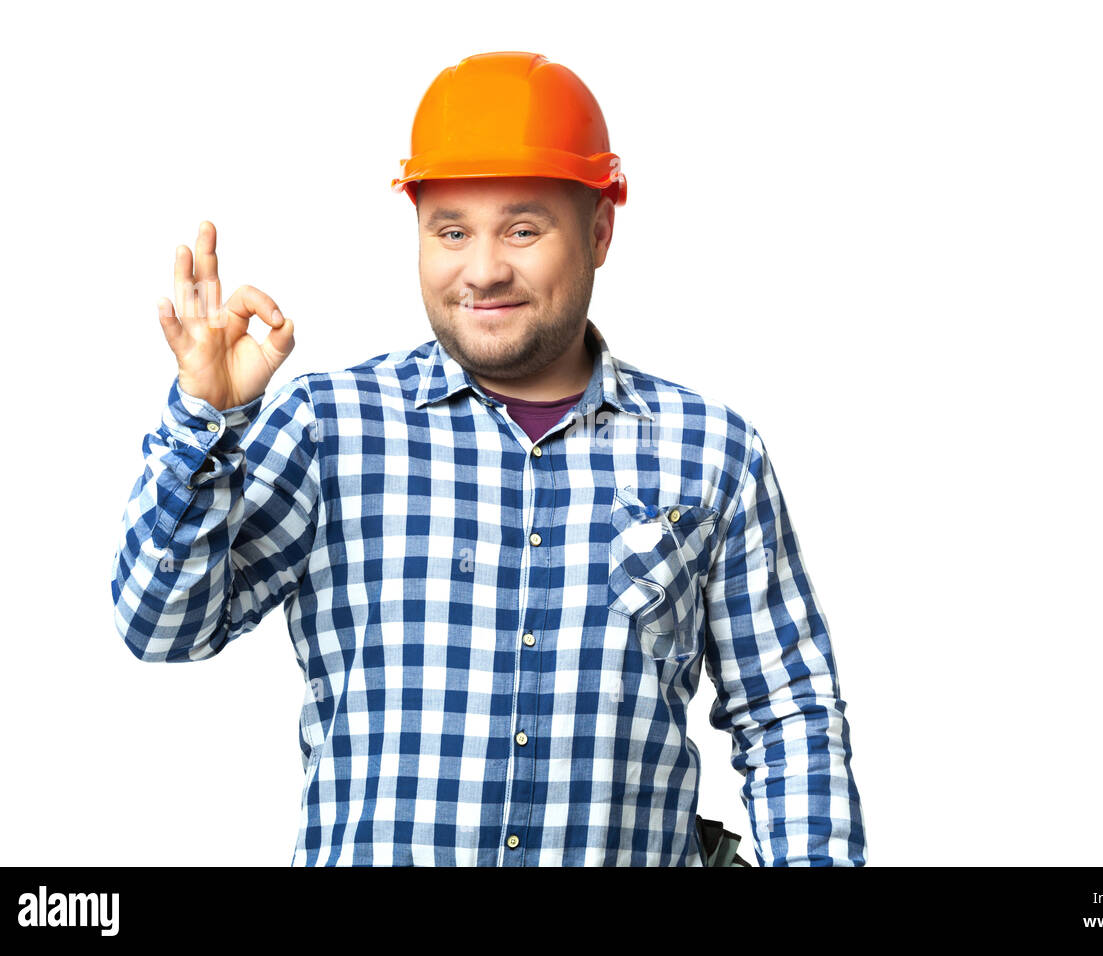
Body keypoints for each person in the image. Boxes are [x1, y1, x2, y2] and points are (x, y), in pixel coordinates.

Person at [110, 50, 866, 866]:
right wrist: (205, 421)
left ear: (600, 231)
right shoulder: (330, 425)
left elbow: (789, 713)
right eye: (452, 232)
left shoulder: (710, 450)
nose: (484, 269)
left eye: (522, 229)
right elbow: (161, 627)